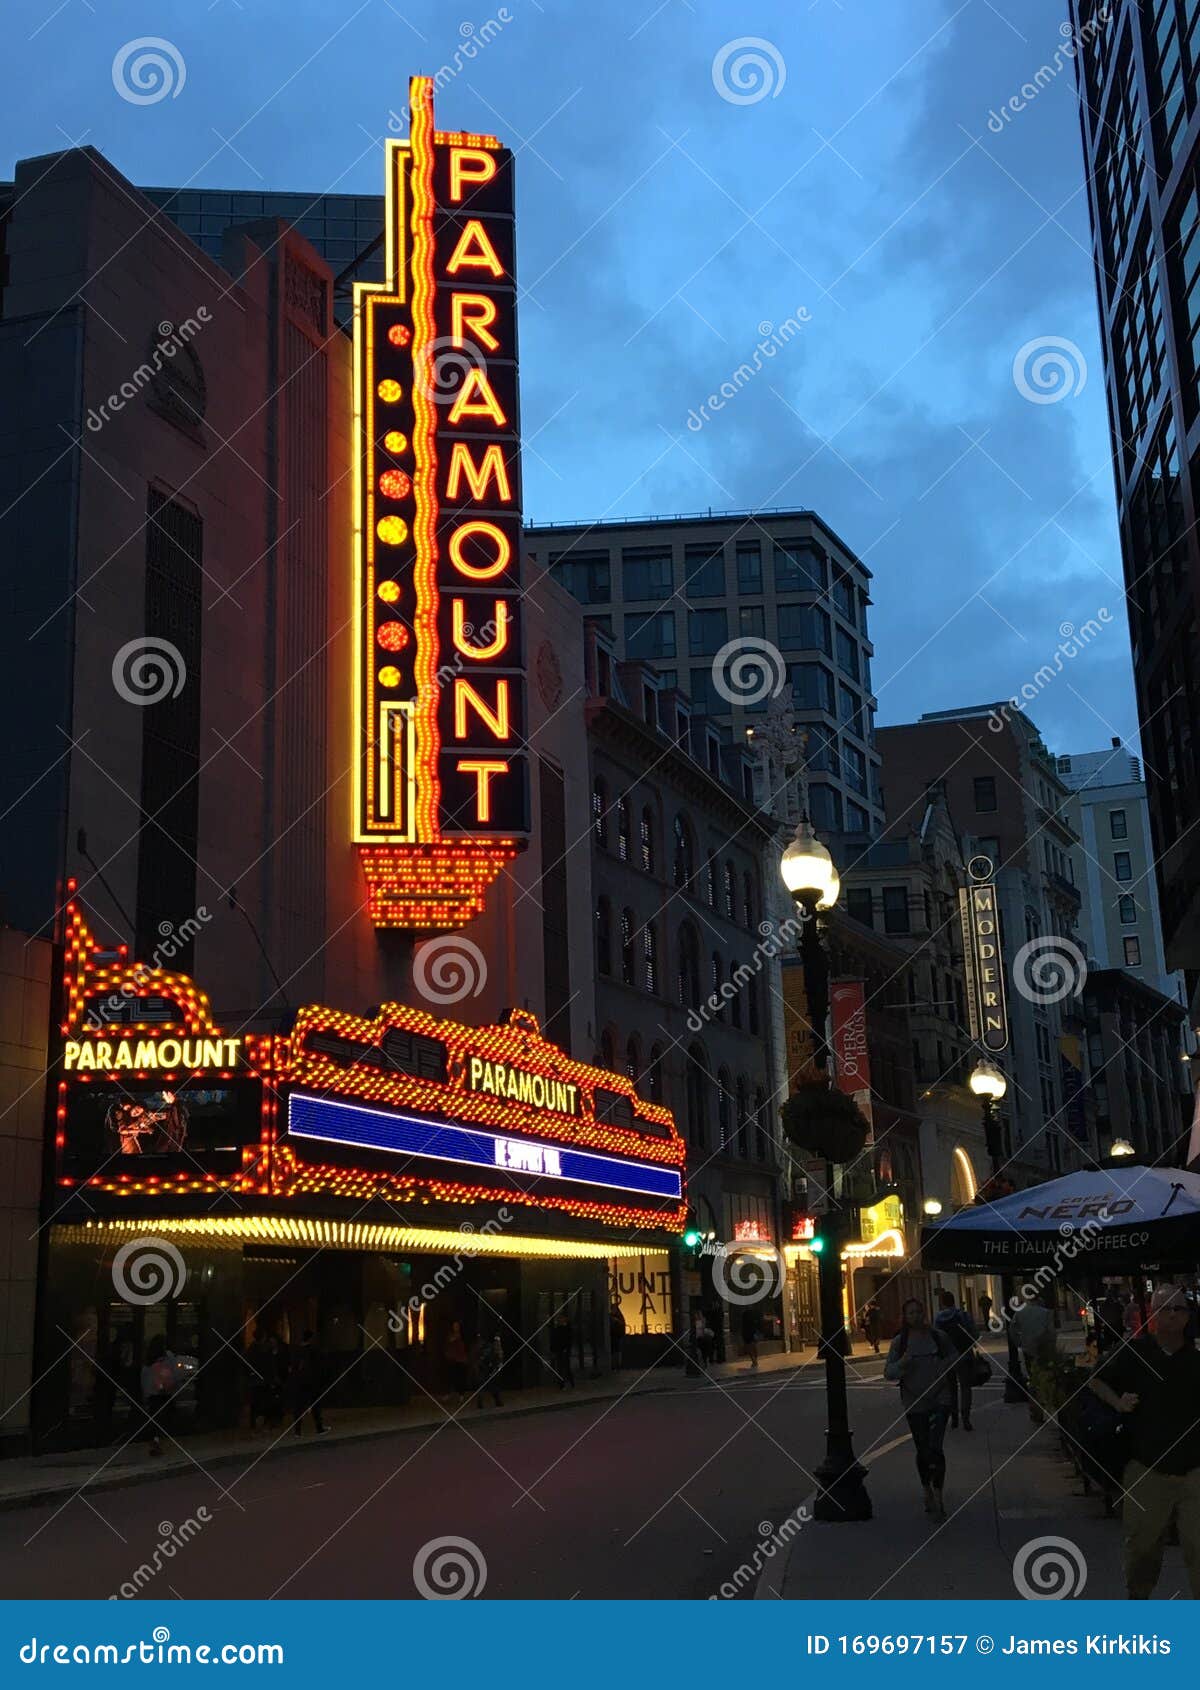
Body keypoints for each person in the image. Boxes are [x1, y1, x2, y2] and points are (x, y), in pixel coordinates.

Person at [1088, 1284, 1200, 1599]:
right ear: (1152, 1314)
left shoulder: (1194, 1358)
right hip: (1148, 1469)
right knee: (1142, 1554)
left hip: (1194, 1471)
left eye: (1180, 1309)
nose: (1174, 1315)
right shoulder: (1135, 1353)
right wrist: (1118, 1401)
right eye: (1167, 1308)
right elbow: (1096, 1380)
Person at [884, 1298, 957, 1517]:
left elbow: (954, 1357)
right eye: (911, 1313)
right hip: (915, 1402)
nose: (915, 1316)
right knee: (923, 1448)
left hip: (939, 1399)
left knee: (936, 1447)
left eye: (918, 1311)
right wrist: (902, 1364)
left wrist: (942, 1370)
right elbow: (889, 1372)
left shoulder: (938, 1337)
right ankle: (927, 1490)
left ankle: (939, 1495)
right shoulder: (900, 1342)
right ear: (905, 1317)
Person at [934, 1290, 979, 1431]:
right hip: (963, 1355)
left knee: (950, 1388)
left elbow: (935, 1338)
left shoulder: (938, 1319)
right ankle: (966, 1418)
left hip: (947, 1357)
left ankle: (954, 1418)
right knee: (965, 1387)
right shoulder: (963, 1315)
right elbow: (975, 1334)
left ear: (942, 1302)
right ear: (954, 1300)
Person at [140, 1335, 177, 1458]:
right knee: (164, 1420)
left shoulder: (149, 1359)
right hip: (165, 1394)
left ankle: (155, 1442)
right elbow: (175, 1373)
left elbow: (145, 1378)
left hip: (153, 1395)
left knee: (155, 1421)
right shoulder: (169, 1357)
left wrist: (146, 1394)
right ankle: (159, 1444)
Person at [290, 1330, 329, 1437]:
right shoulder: (314, 1350)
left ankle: (297, 1430)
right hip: (311, 1382)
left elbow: (294, 1367)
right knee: (315, 1405)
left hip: (299, 1381)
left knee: (299, 1406)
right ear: (311, 1338)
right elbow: (320, 1366)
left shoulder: (297, 1350)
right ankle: (319, 1428)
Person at [443, 1321, 471, 1404]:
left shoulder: (463, 1336)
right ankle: (449, 1394)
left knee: (461, 1378)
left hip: (461, 1360)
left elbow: (465, 1347)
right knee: (451, 1377)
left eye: (457, 1326)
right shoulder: (451, 1336)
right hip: (453, 1359)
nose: (456, 1327)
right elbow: (449, 1343)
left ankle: (461, 1395)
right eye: (454, 1326)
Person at [475, 1333, 504, 1408]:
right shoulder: (489, 1349)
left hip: (489, 1369)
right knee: (487, 1385)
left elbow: (499, 1360)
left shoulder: (496, 1349)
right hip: (486, 1369)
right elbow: (482, 1359)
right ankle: (481, 1403)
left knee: (491, 1386)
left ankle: (497, 1401)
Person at [550, 1310, 575, 1389]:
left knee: (566, 1368)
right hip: (559, 1350)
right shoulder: (558, 1328)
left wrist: (566, 1349)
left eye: (561, 1318)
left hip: (564, 1350)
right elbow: (555, 1339)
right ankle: (562, 1384)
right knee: (560, 1367)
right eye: (559, 1318)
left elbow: (568, 1339)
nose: (560, 1320)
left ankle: (570, 1382)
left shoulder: (567, 1328)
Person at [609, 1302, 626, 1371]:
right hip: (614, 1337)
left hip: (617, 1337)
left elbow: (622, 1325)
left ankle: (617, 1365)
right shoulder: (615, 1317)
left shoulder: (616, 1317)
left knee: (616, 1352)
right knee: (615, 1352)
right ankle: (615, 1365)